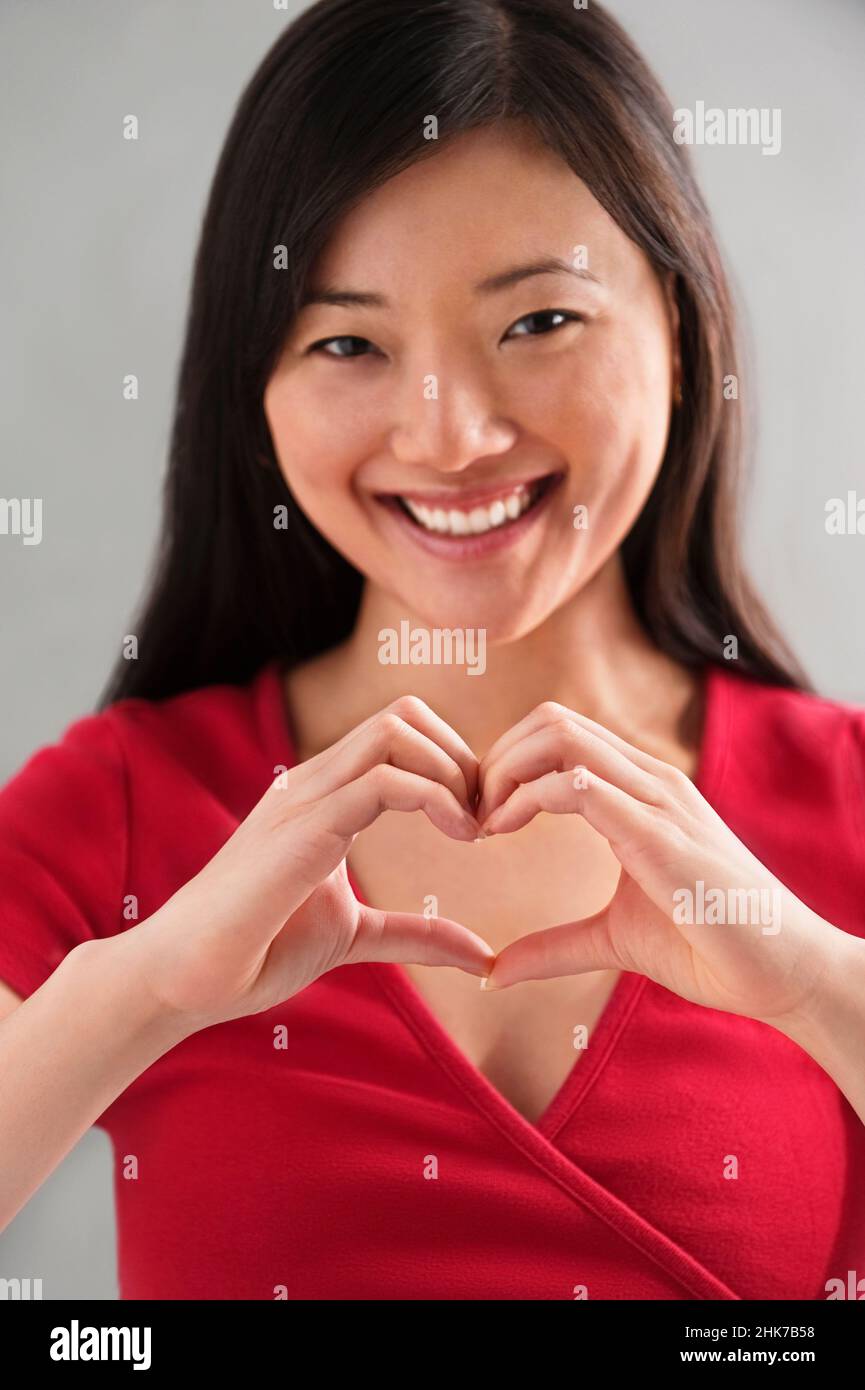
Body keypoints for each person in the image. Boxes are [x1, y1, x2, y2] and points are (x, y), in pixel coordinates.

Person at [1, 0, 864, 1302]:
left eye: (537, 324)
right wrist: (149, 991)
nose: (449, 434)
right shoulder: (118, 809)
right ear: (259, 390)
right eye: (348, 341)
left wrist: (809, 982)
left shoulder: (846, 796)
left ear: (679, 336)